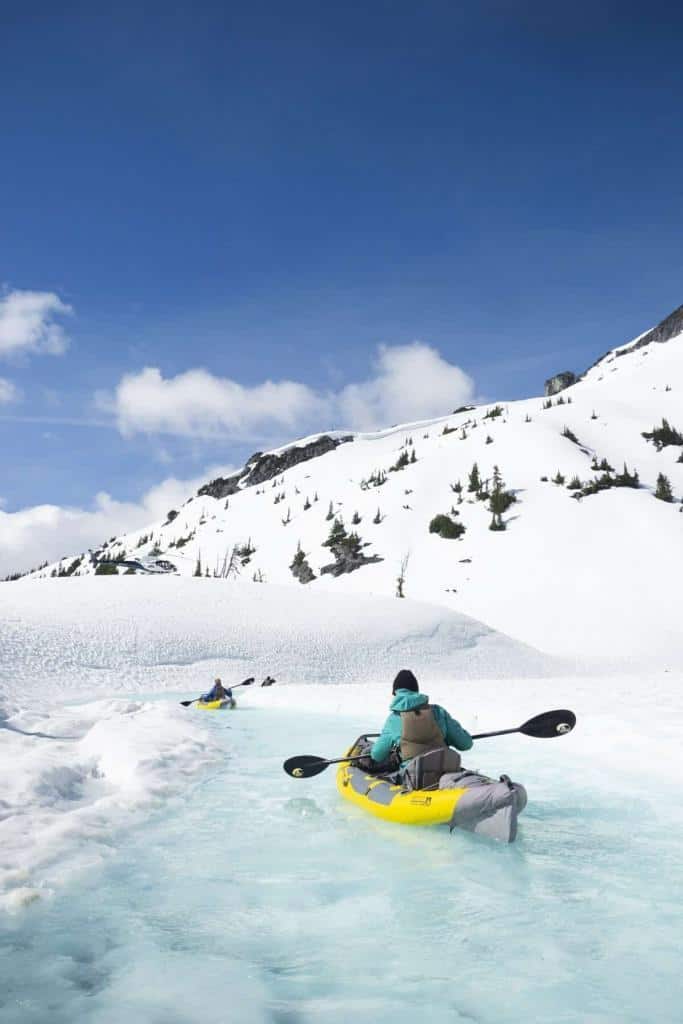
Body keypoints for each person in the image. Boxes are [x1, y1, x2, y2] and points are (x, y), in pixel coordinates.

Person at [370, 669, 472, 767]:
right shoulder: (438, 711)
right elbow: (466, 744)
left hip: (415, 776)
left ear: (395, 693)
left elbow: (377, 755)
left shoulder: (394, 719)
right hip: (445, 768)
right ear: (416, 691)